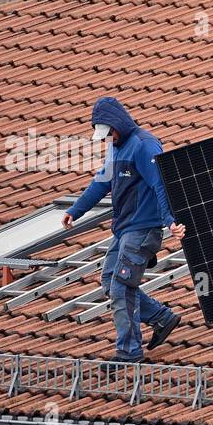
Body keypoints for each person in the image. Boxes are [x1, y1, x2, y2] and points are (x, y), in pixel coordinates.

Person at [61, 97, 185, 362]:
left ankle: (129, 351)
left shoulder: (144, 145)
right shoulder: (115, 148)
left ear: (119, 124)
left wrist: (170, 220)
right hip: (124, 229)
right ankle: (161, 318)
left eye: (111, 133)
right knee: (109, 281)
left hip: (143, 229)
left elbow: (160, 184)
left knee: (121, 287)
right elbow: (101, 183)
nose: (109, 138)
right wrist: (76, 210)